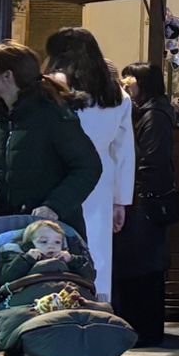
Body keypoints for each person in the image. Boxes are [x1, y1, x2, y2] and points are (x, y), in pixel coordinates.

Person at [0, 42, 104, 239]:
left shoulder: (52, 115)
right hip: (8, 226)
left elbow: (88, 166)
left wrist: (54, 206)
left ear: (8, 76)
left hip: (52, 234)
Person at [44, 27, 134, 301]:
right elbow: (125, 150)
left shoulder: (52, 90)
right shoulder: (116, 95)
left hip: (56, 176)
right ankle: (97, 305)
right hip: (102, 180)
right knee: (96, 250)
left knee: (52, 244)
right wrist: (121, 200)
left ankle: (53, 303)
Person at [114, 62, 179, 348]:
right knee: (143, 264)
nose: (126, 87)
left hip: (146, 200)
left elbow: (151, 159)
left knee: (142, 265)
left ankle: (145, 328)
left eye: (130, 82)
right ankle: (143, 326)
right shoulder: (152, 111)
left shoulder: (153, 115)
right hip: (146, 198)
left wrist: (135, 191)